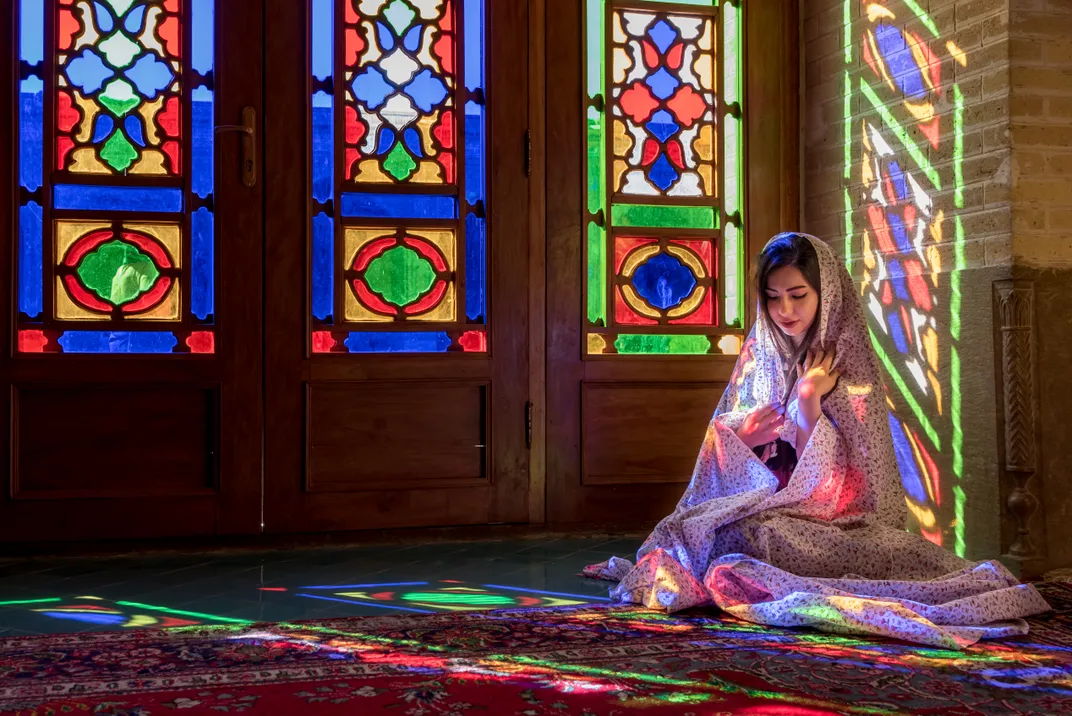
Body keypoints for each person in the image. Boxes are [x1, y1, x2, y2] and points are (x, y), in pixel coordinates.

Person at [583, 232, 1049, 648]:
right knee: (699, 531)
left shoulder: (846, 361)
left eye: (798, 295)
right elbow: (723, 449)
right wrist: (741, 436)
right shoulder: (764, 352)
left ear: (825, 294)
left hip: (831, 521)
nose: (785, 311)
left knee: (751, 539)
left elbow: (840, 482)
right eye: (773, 298)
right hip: (760, 505)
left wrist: (808, 401)